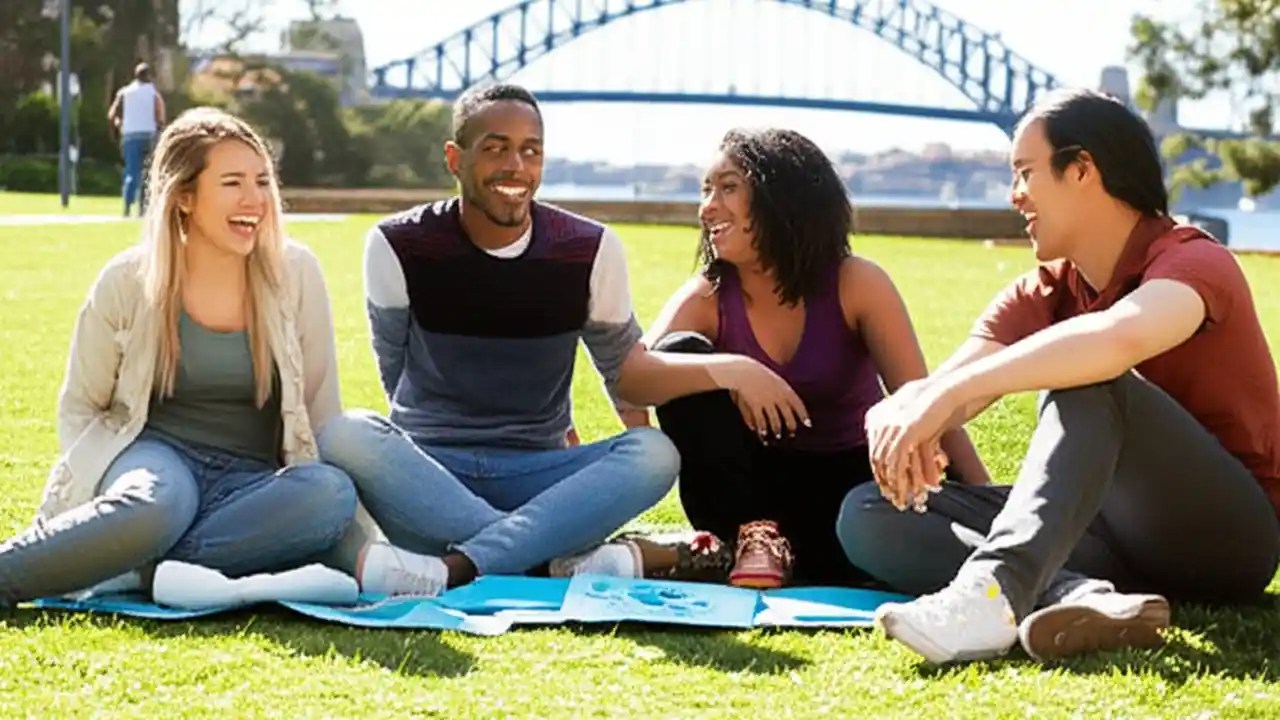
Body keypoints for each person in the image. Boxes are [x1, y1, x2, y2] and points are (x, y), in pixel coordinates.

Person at [837, 88, 1280, 663]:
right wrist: (903, 411)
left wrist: (942, 396)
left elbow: (1116, 340)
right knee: (870, 515)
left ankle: (996, 593)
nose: (1014, 195)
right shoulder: (1043, 291)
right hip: (1104, 536)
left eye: (1026, 173)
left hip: (1227, 540)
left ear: (1082, 170)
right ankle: (1079, 595)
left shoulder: (1194, 262)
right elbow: (955, 384)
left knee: (1093, 375)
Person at [317, 84, 811, 597]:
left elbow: (623, 372)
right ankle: (546, 556)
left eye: (530, 150)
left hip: (538, 469)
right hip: (433, 473)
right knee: (346, 432)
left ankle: (458, 564)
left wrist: (722, 379)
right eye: (495, 148)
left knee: (654, 453)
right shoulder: (397, 244)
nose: (515, 166)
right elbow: (392, 370)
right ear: (455, 159)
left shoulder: (588, 249)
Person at [0, 107, 359, 606]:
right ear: (184, 197)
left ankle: (134, 565)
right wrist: (99, 480)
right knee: (158, 504)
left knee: (331, 493)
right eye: (232, 183)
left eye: (262, 181)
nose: (255, 199)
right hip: (156, 457)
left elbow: (321, 410)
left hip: (249, 481)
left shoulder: (296, 272)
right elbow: (81, 407)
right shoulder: (126, 280)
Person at [637, 127, 989, 589]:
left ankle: (776, 560)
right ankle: (752, 545)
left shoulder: (857, 283)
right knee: (679, 354)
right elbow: (634, 375)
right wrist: (734, 371)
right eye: (706, 191)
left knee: (873, 542)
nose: (707, 208)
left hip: (854, 492)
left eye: (727, 188)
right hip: (750, 501)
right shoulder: (708, 296)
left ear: (780, 196)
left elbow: (926, 406)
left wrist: (991, 506)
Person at [108, 62, 166, 217]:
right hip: (149, 134)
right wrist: (160, 129)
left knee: (131, 171)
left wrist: (119, 125)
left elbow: (112, 114)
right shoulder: (153, 92)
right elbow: (160, 114)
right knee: (148, 172)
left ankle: (127, 206)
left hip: (130, 135)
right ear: (149, 75)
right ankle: (143, 208)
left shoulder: (124, 92)